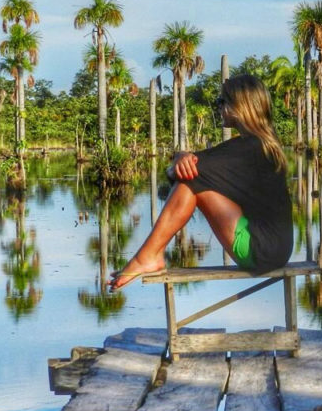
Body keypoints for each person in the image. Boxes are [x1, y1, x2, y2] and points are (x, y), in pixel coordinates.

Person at [109, 74, 292, 290]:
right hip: (275, 249)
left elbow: (186, 172)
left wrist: (179, 159)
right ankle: (149, 256)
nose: (218, 107)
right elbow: (188, 167)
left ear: (239, 107)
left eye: (221, 101)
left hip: (261, 250)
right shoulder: (261, 145)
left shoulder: (249, 148)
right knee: (192, 179)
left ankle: (148, 257)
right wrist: (181, 157)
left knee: (190, 183)